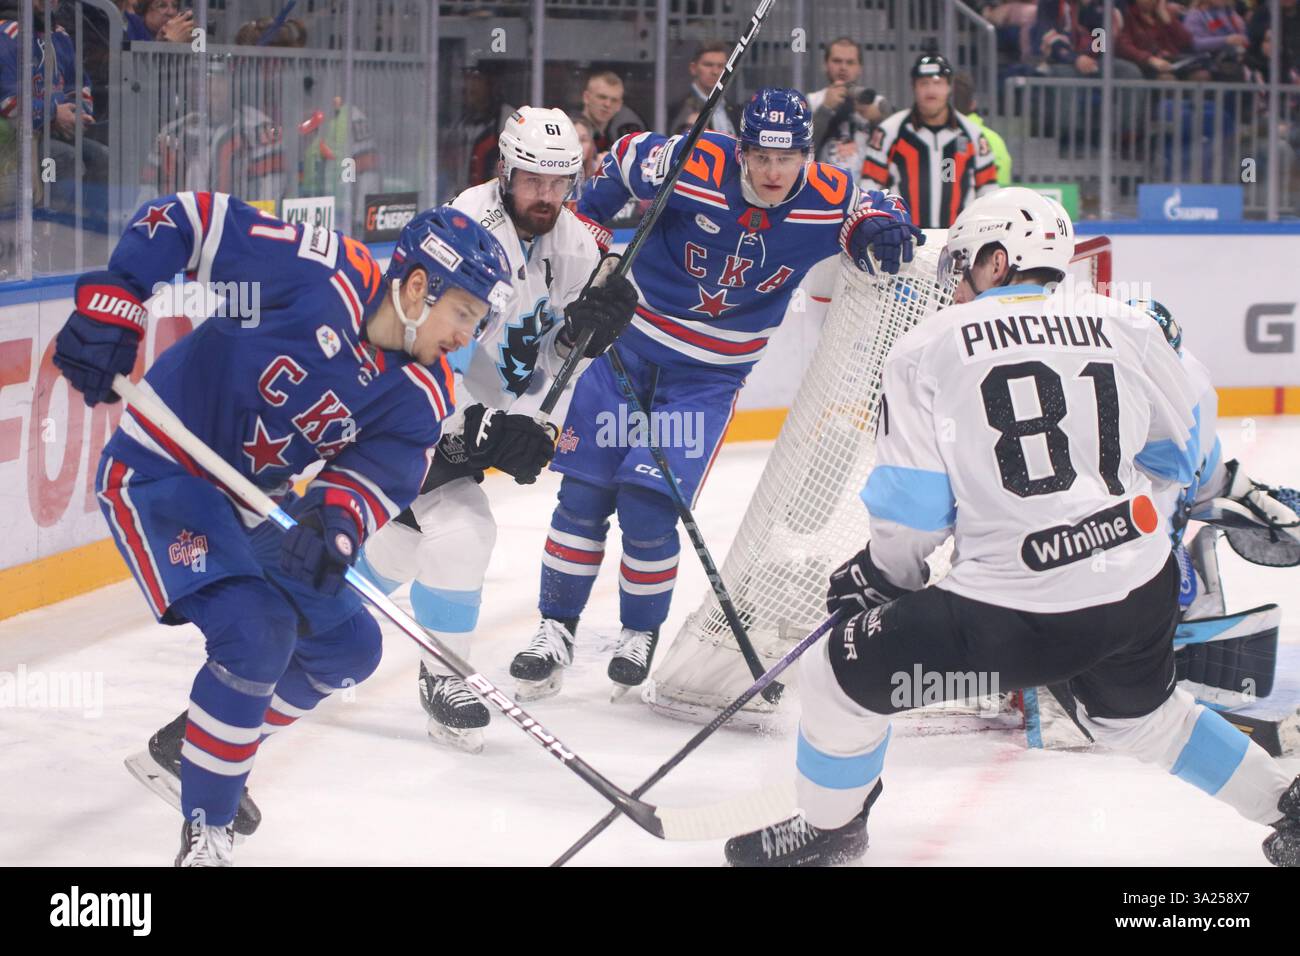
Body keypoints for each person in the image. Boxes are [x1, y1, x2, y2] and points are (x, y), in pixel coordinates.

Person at [723, 187, 1300, 867]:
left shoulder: (929, 344)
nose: (959, 283)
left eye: (965, 264)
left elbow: (915, 509)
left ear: (998, 260)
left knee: (836, 676)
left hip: (1013, 616)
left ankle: (830, 829)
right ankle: (1287, 802)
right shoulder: (1127, 324)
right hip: (1141, 590)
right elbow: (1189, 457)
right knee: (1144, 718)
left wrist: (881, 578)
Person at [52, 194, 513, 865]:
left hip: (251, 502)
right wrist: (116, 299)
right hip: (162, 474)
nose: (465, 337)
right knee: (257, 632)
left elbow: (374, 477)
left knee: (349, 646)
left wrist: (335, 527)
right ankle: (207, 832)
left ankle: (199, 746)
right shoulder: (318, 271)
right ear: (419, 285)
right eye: (464, 314)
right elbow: (185, 220)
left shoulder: (424, 390)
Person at [507, 88, 922, 701]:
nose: (774, 172)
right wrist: (589, 237)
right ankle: (554, 628)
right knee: (583, 497)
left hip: (705, 382)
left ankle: (638, 632)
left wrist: (884, 227)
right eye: (760, 157)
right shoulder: (693, 158)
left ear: (807, 155)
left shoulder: (829, 196)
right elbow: (621, 159)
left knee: (650, 508)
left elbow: (879, 208)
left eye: (788, 159)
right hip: (623, 351)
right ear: (742, 149)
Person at [356, 107, 636, 752]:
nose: (546, 196)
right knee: (462, 529)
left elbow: (554, 357)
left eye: (560, 183)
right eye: (533, 180)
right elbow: (419, 349)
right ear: (505, 171)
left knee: (413, 532)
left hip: (468, 414)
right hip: (400, 409)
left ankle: (318, 601)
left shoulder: (573, 245)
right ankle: (444, 676)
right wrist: (476, 426)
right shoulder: (462, 234)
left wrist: (579, 348)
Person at [860, 52, 999, 229]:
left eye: (938, 83)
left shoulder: (973, 134)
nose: (931, 90)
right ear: (913, 87)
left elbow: (988, 193)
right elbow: (869, 189)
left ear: (949, 87)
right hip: (904, 239)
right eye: (924, 83)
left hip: (959, 242)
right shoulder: (889, 131)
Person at [806, 36, 863, 158]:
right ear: (825, 65)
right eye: (837, 61)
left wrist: (876, 119)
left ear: (860, 68)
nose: (843, 67)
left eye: (850, 62)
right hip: (821, 175)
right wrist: (825, 109)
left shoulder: (874, 102)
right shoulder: (811, 101)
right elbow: (801, 150)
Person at [952, 72, 1011, 186]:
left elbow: (946, 184)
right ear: (973, 104)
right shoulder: (995, 140)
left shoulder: (942, 140)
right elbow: (1003, 183)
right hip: (993, 201)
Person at [670, 42, 738, 136]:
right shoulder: (680, 109)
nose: (715, 72)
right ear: (693, 68)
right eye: (708, 65)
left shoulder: (735, 109)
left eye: (721, 66)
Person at [578, 70, 644, 153]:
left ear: (619, 105)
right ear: (586, 97)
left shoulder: (621, 140)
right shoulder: (570, 132)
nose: (607, 104)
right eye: (602, 97)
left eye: (614, 100)